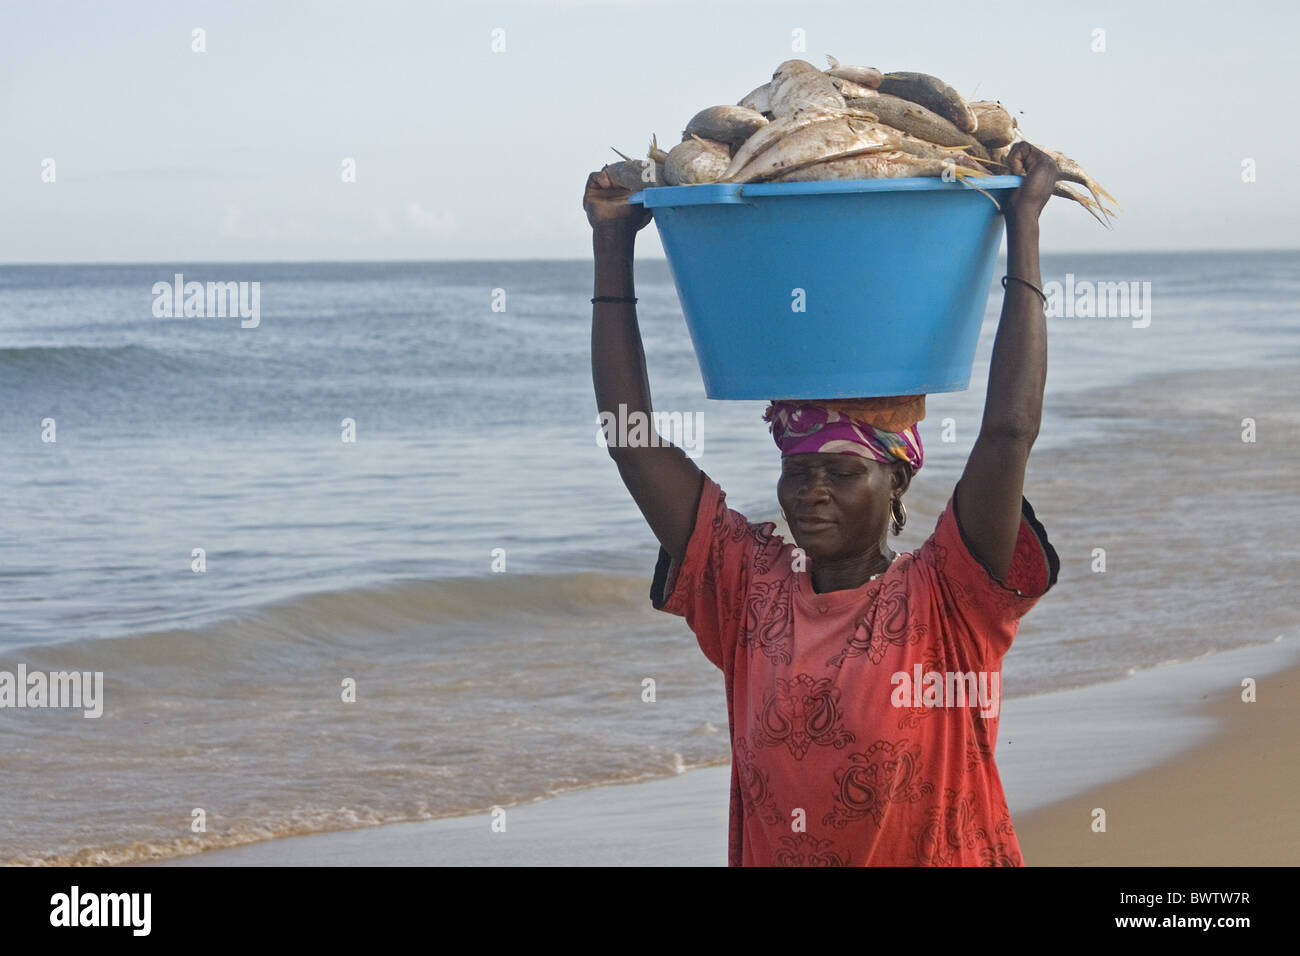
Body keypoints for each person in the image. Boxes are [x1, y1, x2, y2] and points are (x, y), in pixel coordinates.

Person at [584, 143, 1061, 866]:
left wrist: (1022, 223)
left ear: (895, 480)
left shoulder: (950, 600)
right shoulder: (748, 590)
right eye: (798, 469)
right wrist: (612, 244)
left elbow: (1009, 430)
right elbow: (632, 441)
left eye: (841, 472)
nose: (811, 491)